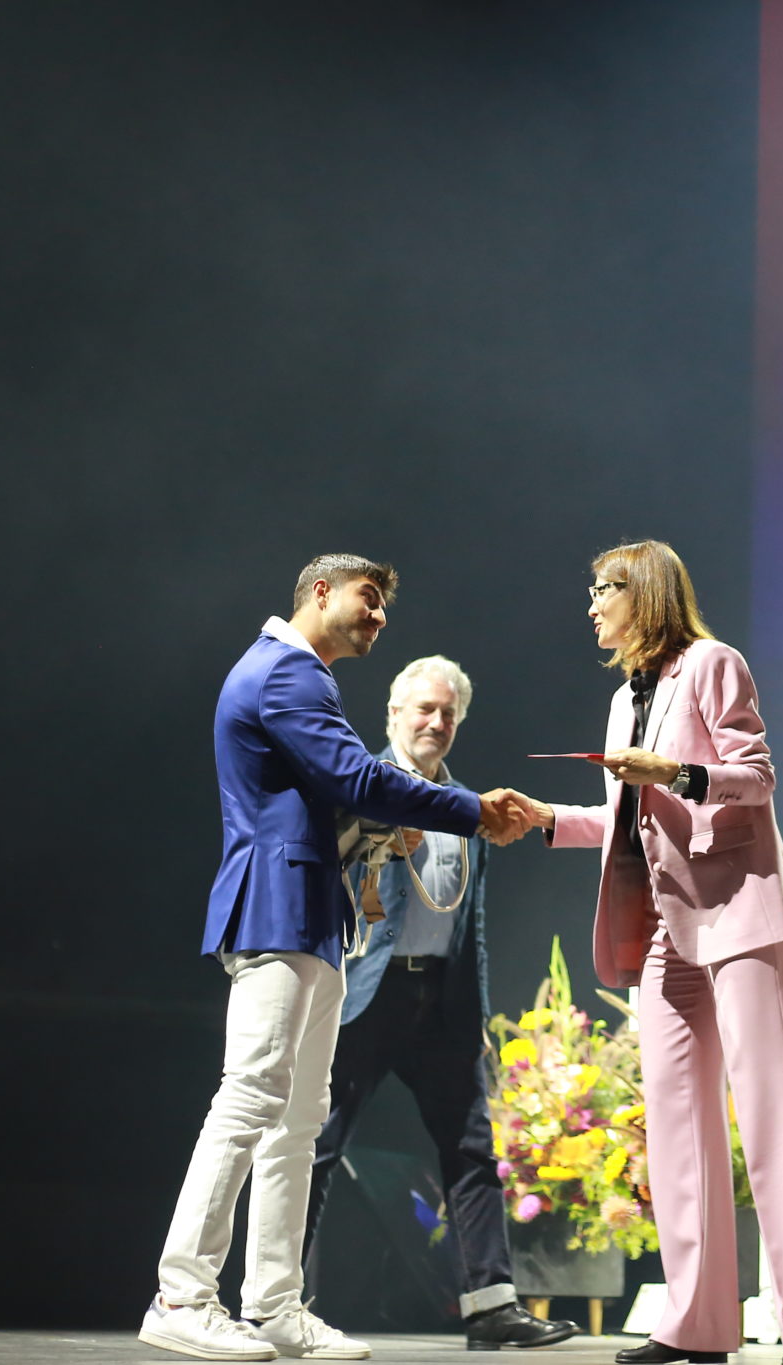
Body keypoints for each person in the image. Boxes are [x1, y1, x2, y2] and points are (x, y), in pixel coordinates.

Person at [141, 555, 533, 1363]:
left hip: (316, 914)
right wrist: (471, 808)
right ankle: (181, 1291)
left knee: (298, 1118)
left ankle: (276, 1305)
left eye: (384, 605)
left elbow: (339, 796)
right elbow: (355, 777)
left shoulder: (299, 674)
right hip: (277, 909)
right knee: (250, 1098)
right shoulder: (286, 671)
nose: (379, 617)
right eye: (370, 598)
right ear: (320, 592)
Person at [521, 540, 783, 1365]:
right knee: (675, 1124)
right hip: (667, 926)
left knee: (774, 1111)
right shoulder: (620, 702)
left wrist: (676, 770)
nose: (592, 607)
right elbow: (627, 823)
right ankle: (697, 1320)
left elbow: (756, 775)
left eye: (602, 590)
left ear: (643, 593)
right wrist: (545, 819)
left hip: (740, 911)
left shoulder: (712, 664)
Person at [301, 655, 577, 1350]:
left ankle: (490, 1306)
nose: (436, 722)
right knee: (316, 1148)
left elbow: (471, 921)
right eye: (424, 708)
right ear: (393, 713)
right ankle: (282, 1299)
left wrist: (477, 1013)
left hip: (442, 1002)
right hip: (365, 993)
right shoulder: (358, 786)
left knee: (473, 1150)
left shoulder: (471, 808)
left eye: (449, 713)